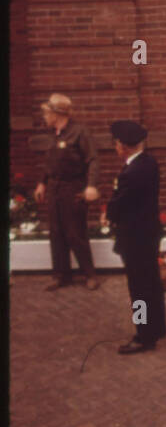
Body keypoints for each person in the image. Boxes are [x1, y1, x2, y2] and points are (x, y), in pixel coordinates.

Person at [105, 120, 166, 356]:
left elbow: (120, 204)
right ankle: (157, 327)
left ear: (122, 146)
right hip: (149, 234)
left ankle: (143, 335)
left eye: (116, 143)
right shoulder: (149, 163)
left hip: (134, 238)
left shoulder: (131, 172)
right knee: (151, 283)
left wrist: (109, 214)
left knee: (139, 290)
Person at [34, 93, 101, 291]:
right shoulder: (53, 135)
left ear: (57, 113)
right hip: (54, 188)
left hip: (73, 188)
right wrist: (42, 183)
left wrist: (91, 185)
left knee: (75, 232)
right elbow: (49, 164)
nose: (44, 117)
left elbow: (93, 160)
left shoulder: (79, 133)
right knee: (56, 232)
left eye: (47, 113)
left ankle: (89, 274)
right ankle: (61, 276)